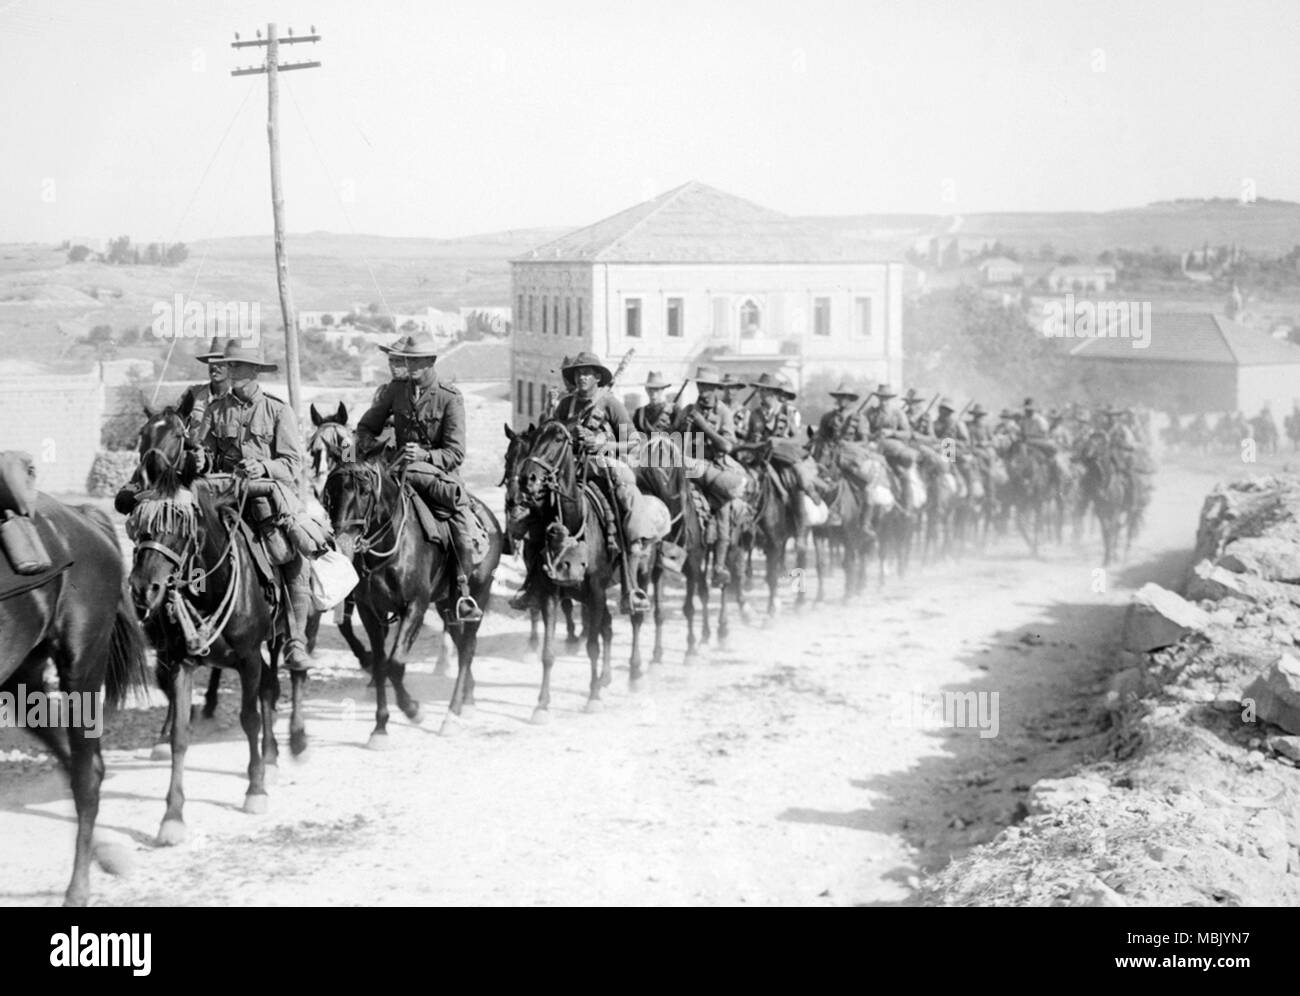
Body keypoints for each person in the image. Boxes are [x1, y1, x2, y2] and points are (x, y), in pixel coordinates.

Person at [192, 340, 313, 671]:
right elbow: (206, 455)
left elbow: (291, 465)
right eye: (229, 366)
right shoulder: (216, 410)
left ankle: (296, 640)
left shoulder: (277, 411)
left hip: (263, 499)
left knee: (288, 553)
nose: (231, 371)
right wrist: (201, 458)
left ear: (255, 371)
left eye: (238, 366)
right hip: (224, 497)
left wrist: (264, 467)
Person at [354, 331, 483, 622]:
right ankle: (354, 591)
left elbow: (455, 453)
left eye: (415, 362)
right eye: (405, 362)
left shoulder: (450, 398)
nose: (408, 367)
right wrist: (363, 448)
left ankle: (462, 593)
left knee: (459, 520)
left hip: (437, 475)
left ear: (431, 361)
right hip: (397, 472)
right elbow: (365, 426)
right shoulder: (395, 391)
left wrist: (425, 456)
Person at [548, 351, 649, 613]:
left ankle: (633, 568)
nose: (581, 377)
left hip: (604, 464)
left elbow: (636, 443)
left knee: (628, 494)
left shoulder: (610, 404)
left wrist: (603, 443)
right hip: (570, 468)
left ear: (596, 377)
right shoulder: (565, 406)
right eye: (578, 373)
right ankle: (534, 580)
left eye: (587, 373)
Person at [671, 364, 747, 586]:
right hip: (686, 467)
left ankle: (719, 566)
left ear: (716, 389)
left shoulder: (724, 412)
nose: (704, 391)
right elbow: (671, 441)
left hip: (714, 466)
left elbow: (727, 446)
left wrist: (703, 425)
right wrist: (678, 428)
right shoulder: (687, 410)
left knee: (723, 509)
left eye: (709, 387)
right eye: (701, 385)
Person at [816, 382, 866, 451]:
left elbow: (865, 441)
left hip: (850, 452)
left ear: (850, 398)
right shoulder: (828, 416)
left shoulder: (859, 418)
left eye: (844, 396)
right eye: (839, 396)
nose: (840, 398)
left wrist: (851, 445)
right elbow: (821, 435)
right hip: (829, 450)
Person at [632, 371, 678, 436]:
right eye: (650, 389)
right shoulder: (639, 413)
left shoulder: (673, 410)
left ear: (662, 389)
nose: (653, 393)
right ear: (646, 389)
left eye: (656, 389)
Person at [722, 373, 752, 442]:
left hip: (734, 449)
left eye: (733, 388)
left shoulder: (745, 412)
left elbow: (747, 436)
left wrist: (735, 428)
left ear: (738, 389)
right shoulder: (717, 407)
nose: (730, 391)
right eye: (728, 387)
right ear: (723, 388)